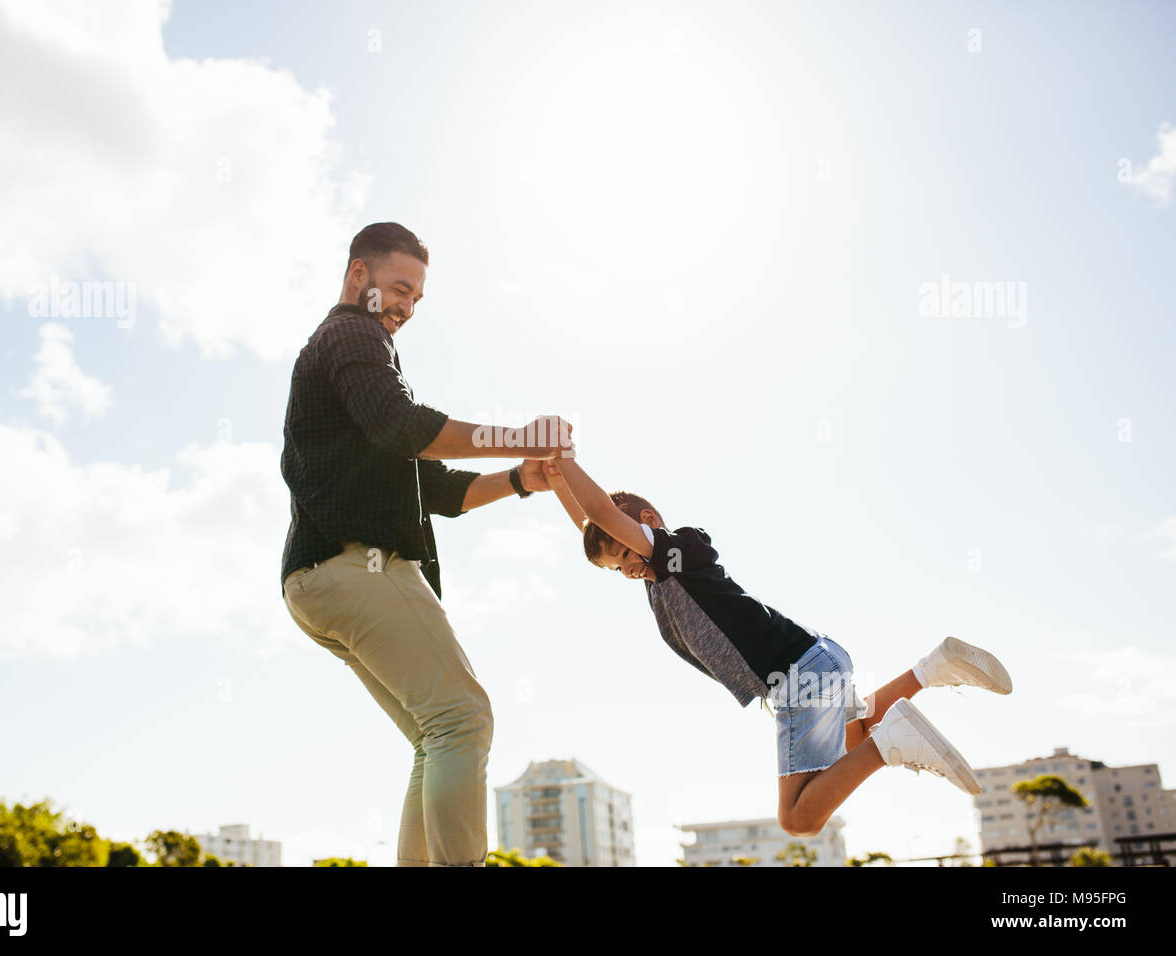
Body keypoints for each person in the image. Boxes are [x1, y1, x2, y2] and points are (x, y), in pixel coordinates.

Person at [279, 222, 572, 866]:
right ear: (359, 275)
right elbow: (401, 426)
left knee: (435, 736)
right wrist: (521, 437)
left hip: (317, 585)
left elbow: (438, 489)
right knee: (464, 721)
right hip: (357, 567)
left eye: (417, 298)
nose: (407, 307)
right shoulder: (353, 334)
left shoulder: (357, 359)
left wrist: (522, 479)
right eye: (399, 289)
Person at [541, 455, 1013, 837]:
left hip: (797, 676)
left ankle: (891, 746)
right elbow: (593, 524)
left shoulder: (676, 552)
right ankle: (931, 669)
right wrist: (558, 478)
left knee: (799, 819)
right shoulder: (656, 575)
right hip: (816, 660)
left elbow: (603, 515)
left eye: (627, 555)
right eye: (618, 571)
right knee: (856, 732)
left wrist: (566, 456)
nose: (630, 571)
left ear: (646, 523)